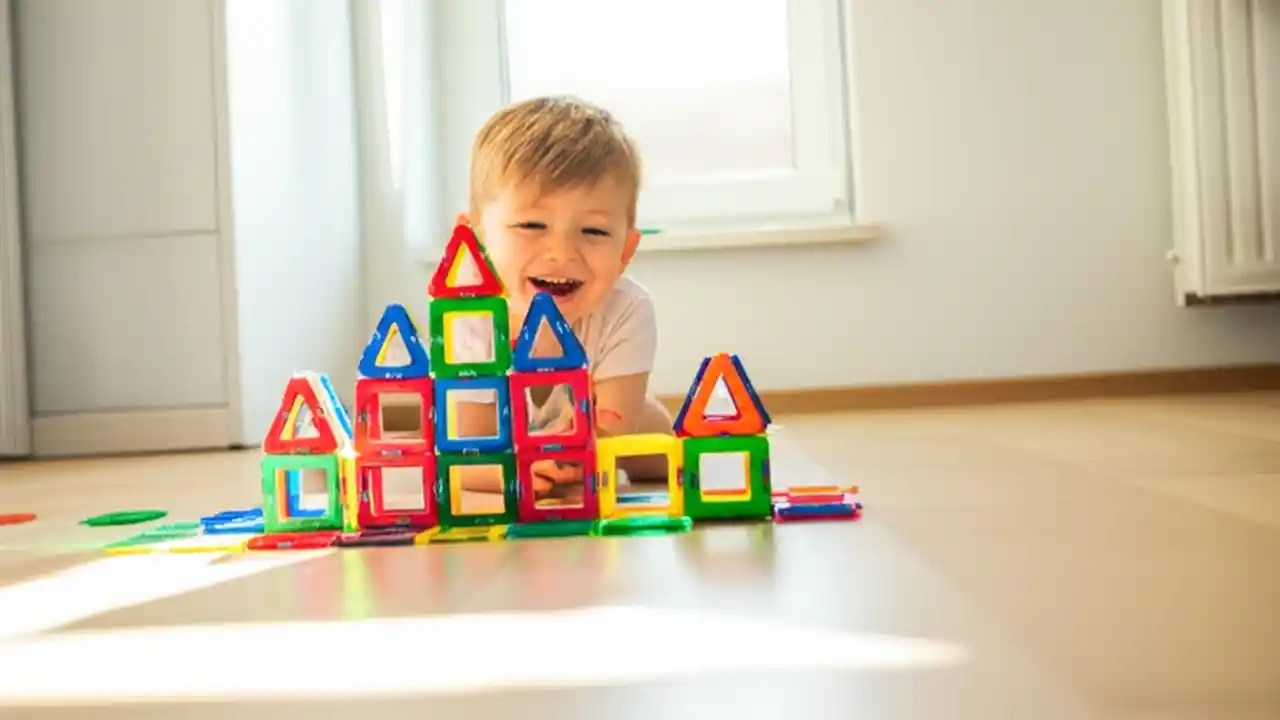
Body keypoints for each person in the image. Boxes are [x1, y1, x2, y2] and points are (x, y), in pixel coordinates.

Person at [446, 95, 673, 500]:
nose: (562, 253)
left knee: (660, 452)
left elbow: (611, 440)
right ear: (475, 238)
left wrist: (579, 459)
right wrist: (511, 477)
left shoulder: (627, 308)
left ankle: (641, 409)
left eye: (594, 232)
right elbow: (464, 452)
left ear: (626, 250)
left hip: (598, 411)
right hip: (504, 426)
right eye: (532, 225)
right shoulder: (468, 315)